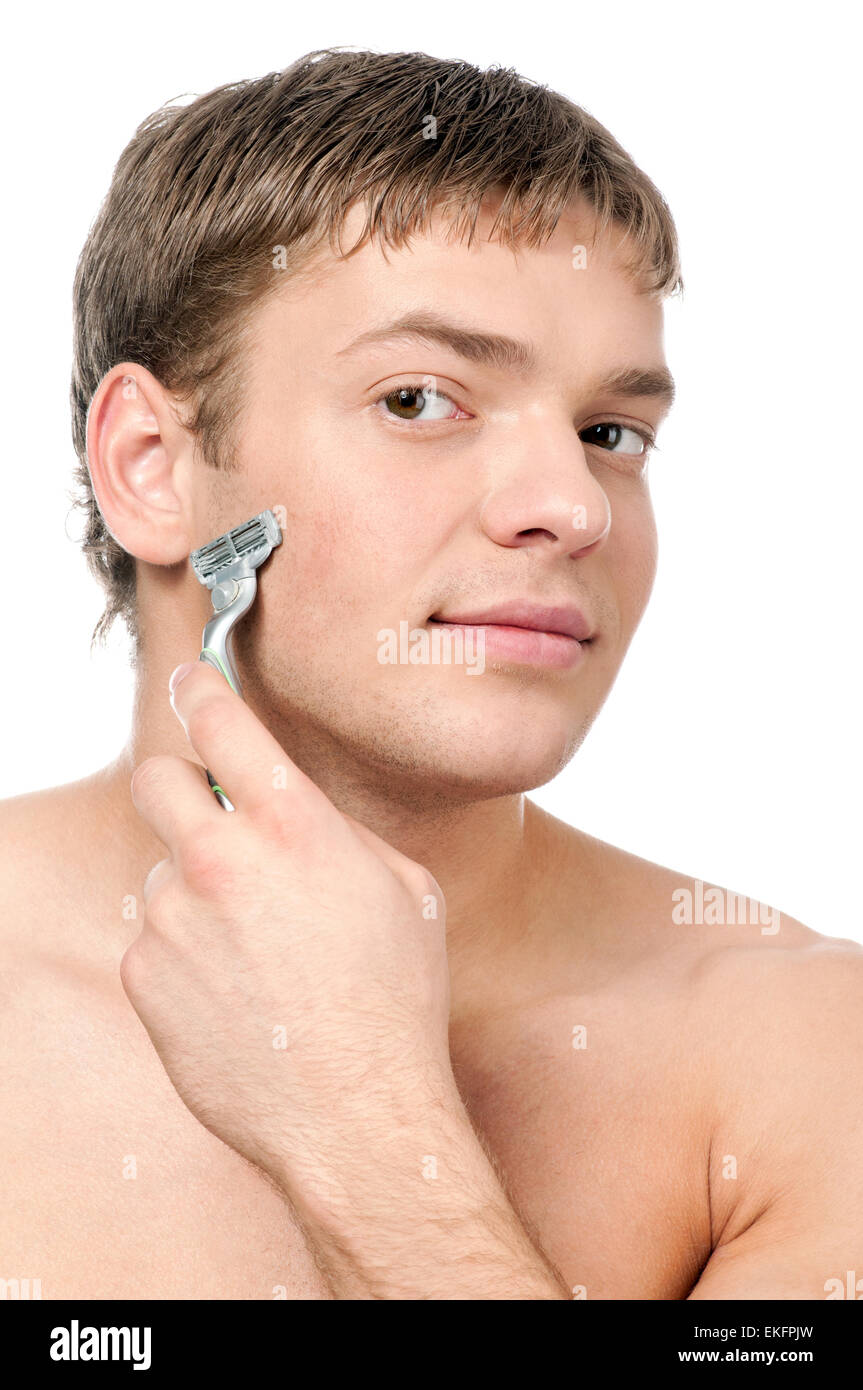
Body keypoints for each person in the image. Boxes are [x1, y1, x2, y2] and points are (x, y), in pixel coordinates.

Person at [1, 48, 860, 1301]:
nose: (571, 507)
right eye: (419, 399)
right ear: (152, 465)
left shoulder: (808, 1057)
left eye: (608, 433)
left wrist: (365, 1130)